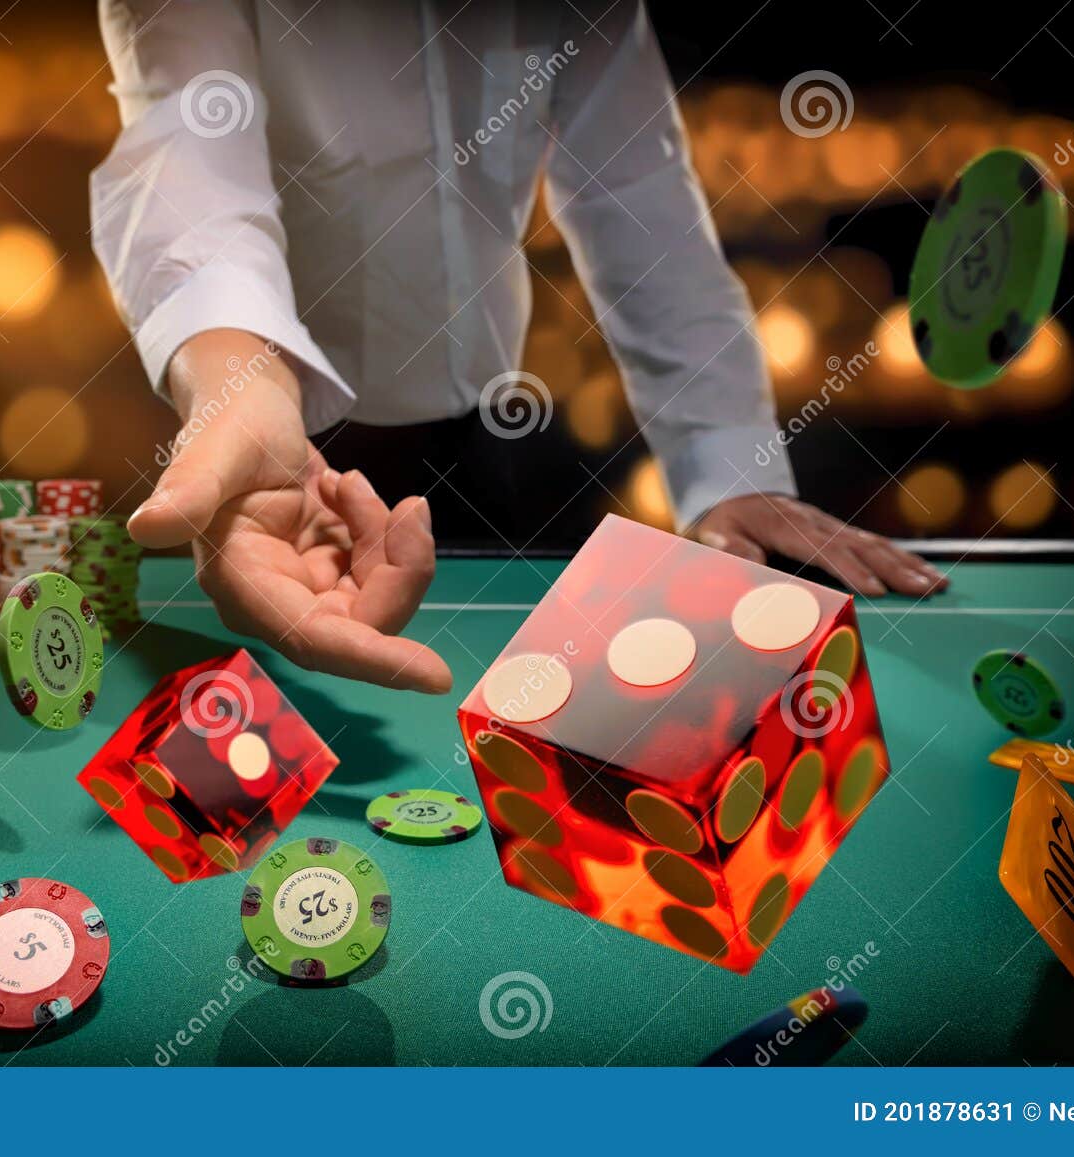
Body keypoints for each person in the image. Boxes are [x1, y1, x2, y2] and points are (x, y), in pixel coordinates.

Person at [88, 0, 947, 696]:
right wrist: (237, 386)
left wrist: (729, 464)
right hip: (277, 456)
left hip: (495, 432)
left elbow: (636, 191)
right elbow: (186, 152)